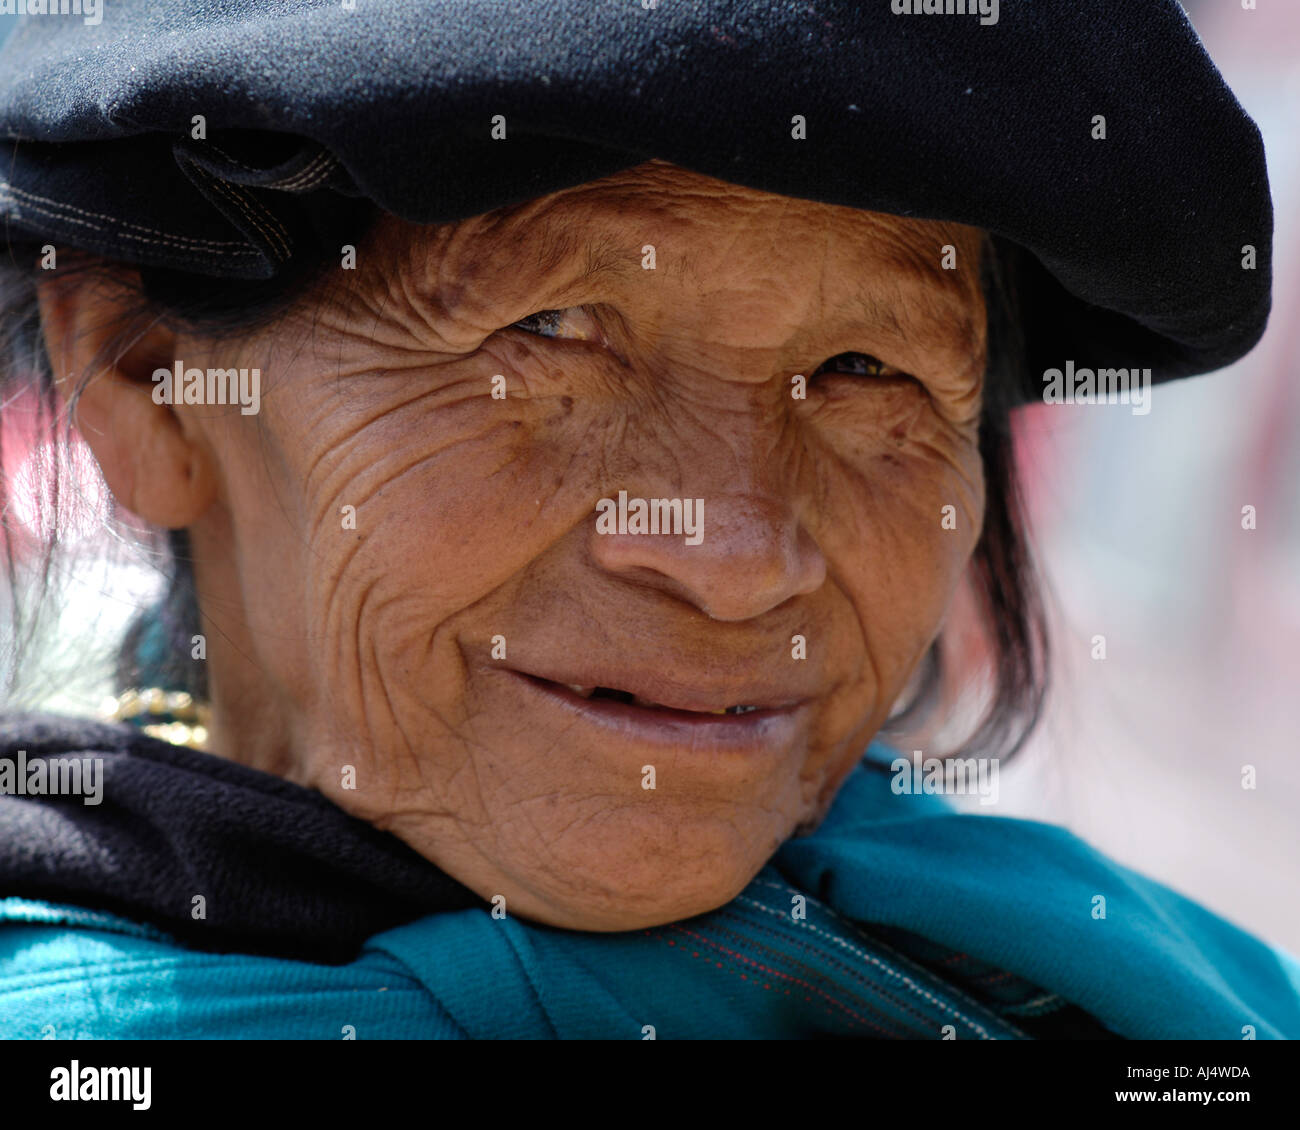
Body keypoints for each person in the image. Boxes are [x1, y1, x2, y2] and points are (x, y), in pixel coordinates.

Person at [0, 0, 1294, 1039]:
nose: (736, 560)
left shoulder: (1133, 1000)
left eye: (867, 371)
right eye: (549, 332)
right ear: (146, 386)